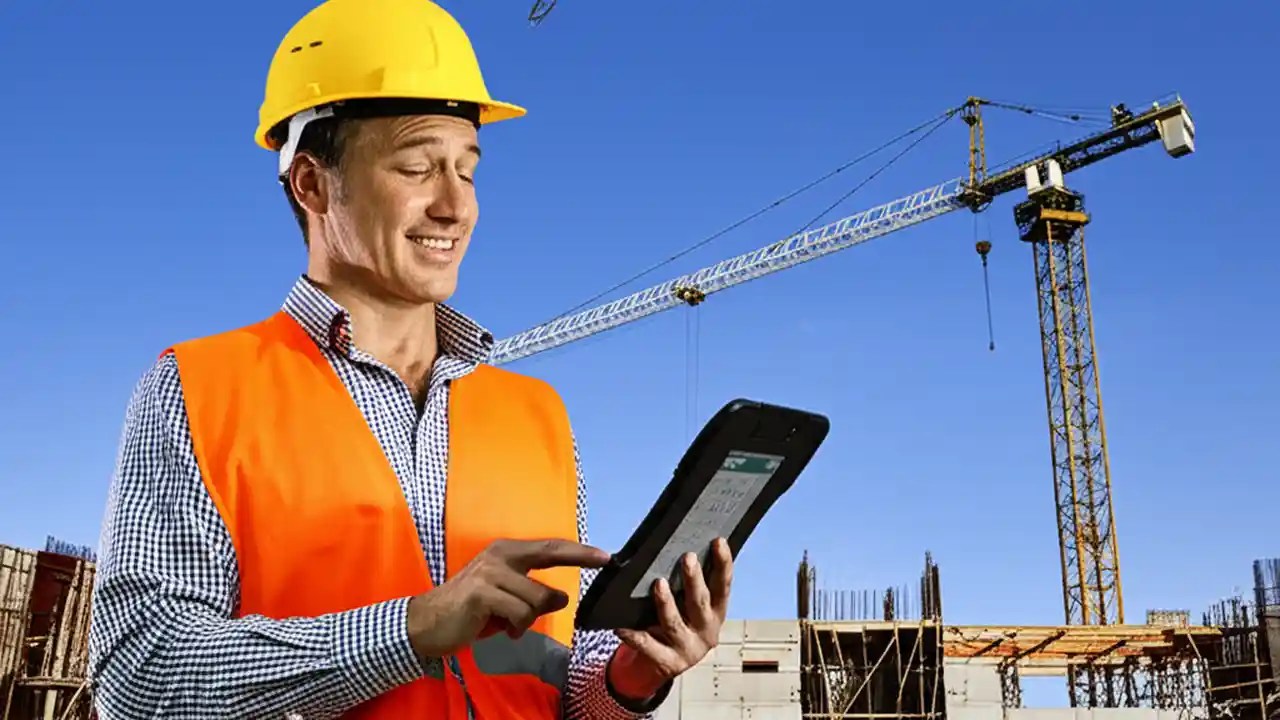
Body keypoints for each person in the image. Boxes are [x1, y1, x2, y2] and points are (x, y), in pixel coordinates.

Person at [86, 0, 734, 717]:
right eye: (417, 167)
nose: (456, 206)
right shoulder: (200, 391)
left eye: (468, 169)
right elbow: (138, 678)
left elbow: (548, 676)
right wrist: (409, 630)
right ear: (312, 183)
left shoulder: (537, 416)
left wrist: (626, 679)